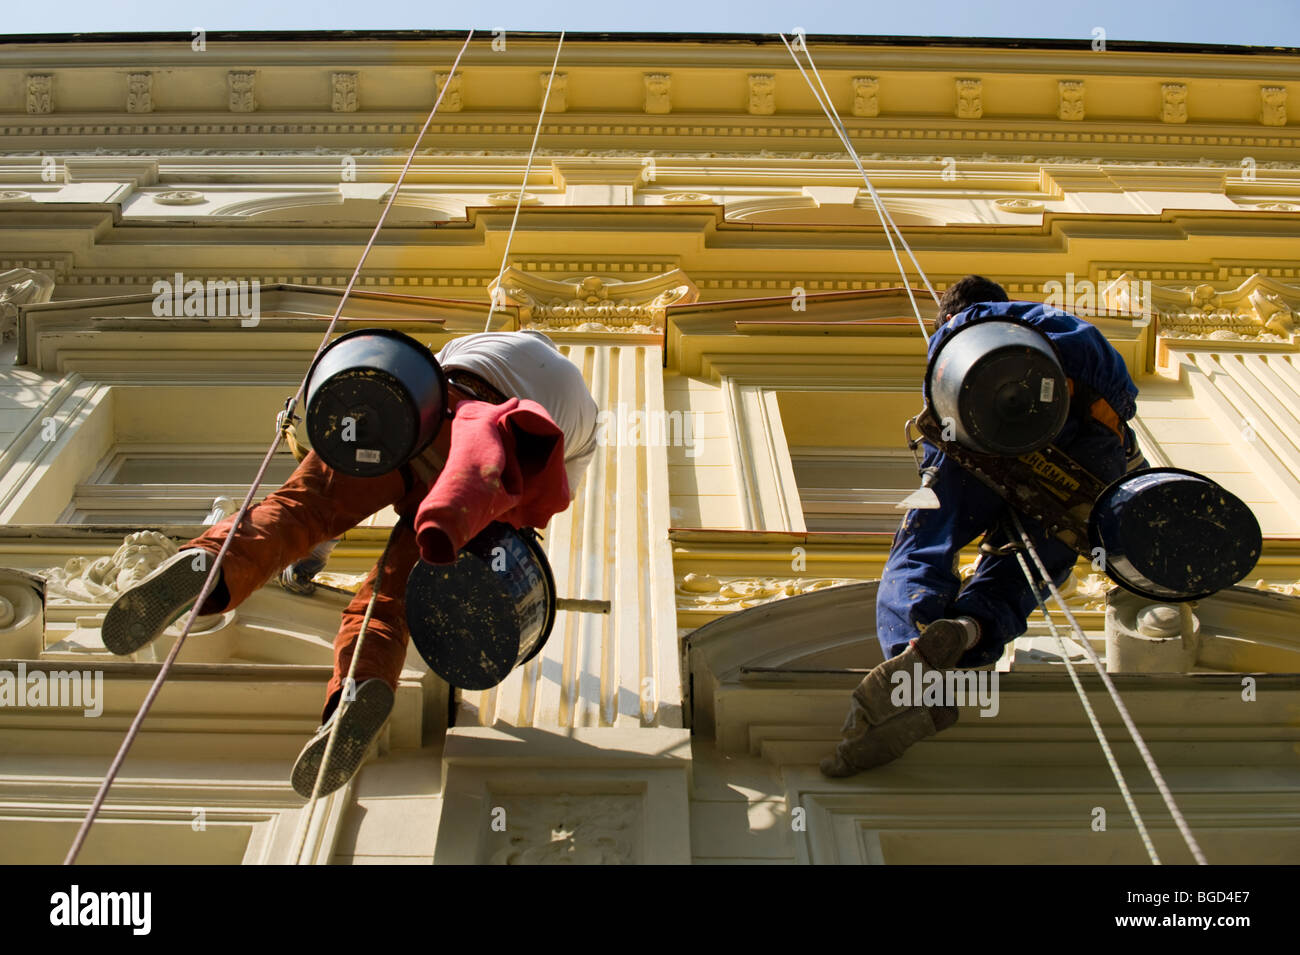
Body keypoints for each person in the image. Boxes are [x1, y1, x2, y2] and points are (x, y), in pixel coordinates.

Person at [102, 329, 598, 797]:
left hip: (422, 416)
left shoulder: (487, 341)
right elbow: (547, 500)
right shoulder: (587, 413)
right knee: (391, 602)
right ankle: (358, 691)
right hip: (487, 464)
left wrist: (316, 549)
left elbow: (417, 368)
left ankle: (209, 563)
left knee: (303, 508)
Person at [821, 276, 1142, 777]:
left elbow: (952, 389)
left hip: (989, 417)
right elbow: (1127, 446)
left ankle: (915, 655)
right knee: (1034, 563)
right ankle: (969, 631)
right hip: (1091, 449)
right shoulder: (1080, 332)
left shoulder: (972, 325)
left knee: (925, 541)